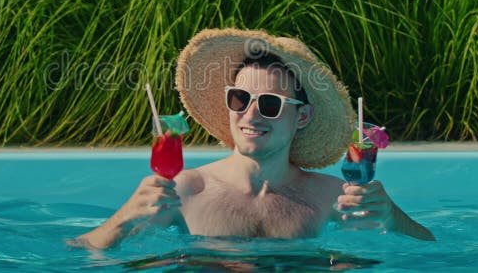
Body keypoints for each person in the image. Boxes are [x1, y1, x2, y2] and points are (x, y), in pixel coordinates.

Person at [73, 28, 435, 249]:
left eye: (270, 104)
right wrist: (124, 218)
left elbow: (432, 251)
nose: (250, 114)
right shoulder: (183, 192)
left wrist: (393, 218)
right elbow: (79, 251)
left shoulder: (331, 197)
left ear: (302, 116)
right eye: (239, 99)